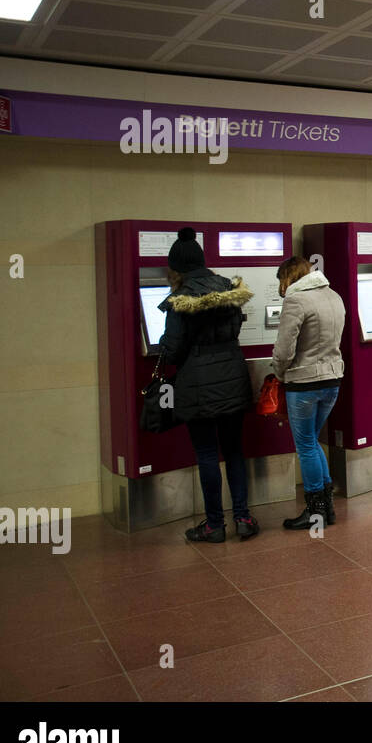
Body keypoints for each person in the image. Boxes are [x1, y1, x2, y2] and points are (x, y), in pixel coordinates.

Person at [159, 227, 259, 543]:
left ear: (177, 267)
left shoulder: (180, 299)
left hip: (198, 384)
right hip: (232, 376)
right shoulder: (230, 290)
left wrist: (163, 346)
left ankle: (215, 524)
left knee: (206, 452)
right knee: (234, 450)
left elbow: (172, 348)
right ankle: (243, 517)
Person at [270, 256, 346, 530]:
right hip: (333, 380)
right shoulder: (334, 296)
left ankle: (316, 512)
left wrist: (278, 372)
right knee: (313, 442)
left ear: (288, 277)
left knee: (305, 446)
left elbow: (284, 349)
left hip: (304, 383)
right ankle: (328, 509)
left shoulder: (296, 301)